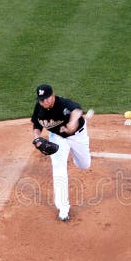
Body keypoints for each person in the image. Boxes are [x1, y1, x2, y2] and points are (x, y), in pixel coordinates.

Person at [30, 84, 91, 221]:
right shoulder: (39, 107)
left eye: (46, 98)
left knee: (84, 165)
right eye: (41, 99)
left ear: (53, 95)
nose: (44, 101)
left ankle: (76, 157)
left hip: (77, 136)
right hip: (57, 138)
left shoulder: (63, 103)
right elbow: (36, 124)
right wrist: (37, 138)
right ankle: (63, 208)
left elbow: (77, 110)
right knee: (58, 168)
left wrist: (72, 122)